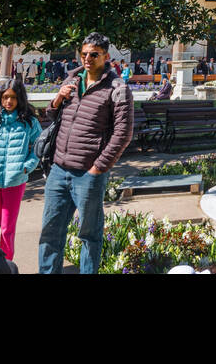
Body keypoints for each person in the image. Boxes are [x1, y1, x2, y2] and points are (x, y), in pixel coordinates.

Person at [37, 31, 134, 275]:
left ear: (106, 56)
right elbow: (52, 117)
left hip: (88, 174)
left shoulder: (117, 88)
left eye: (93, 54)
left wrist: (98, 168)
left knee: (89, 235)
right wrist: (57, 99)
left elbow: (123, 133)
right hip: (59, 169)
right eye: (83, 54)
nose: (87, 59)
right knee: (50, 232)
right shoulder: (71, 80)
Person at [0, 79, 42, 260]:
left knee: (7, 229)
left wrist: (27, 168)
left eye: (13, 97)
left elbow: (39, 148)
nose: (9, 102)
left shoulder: (29, 123)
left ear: (20, 98)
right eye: (5, 97)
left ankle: (5, 265)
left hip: (15, 182)